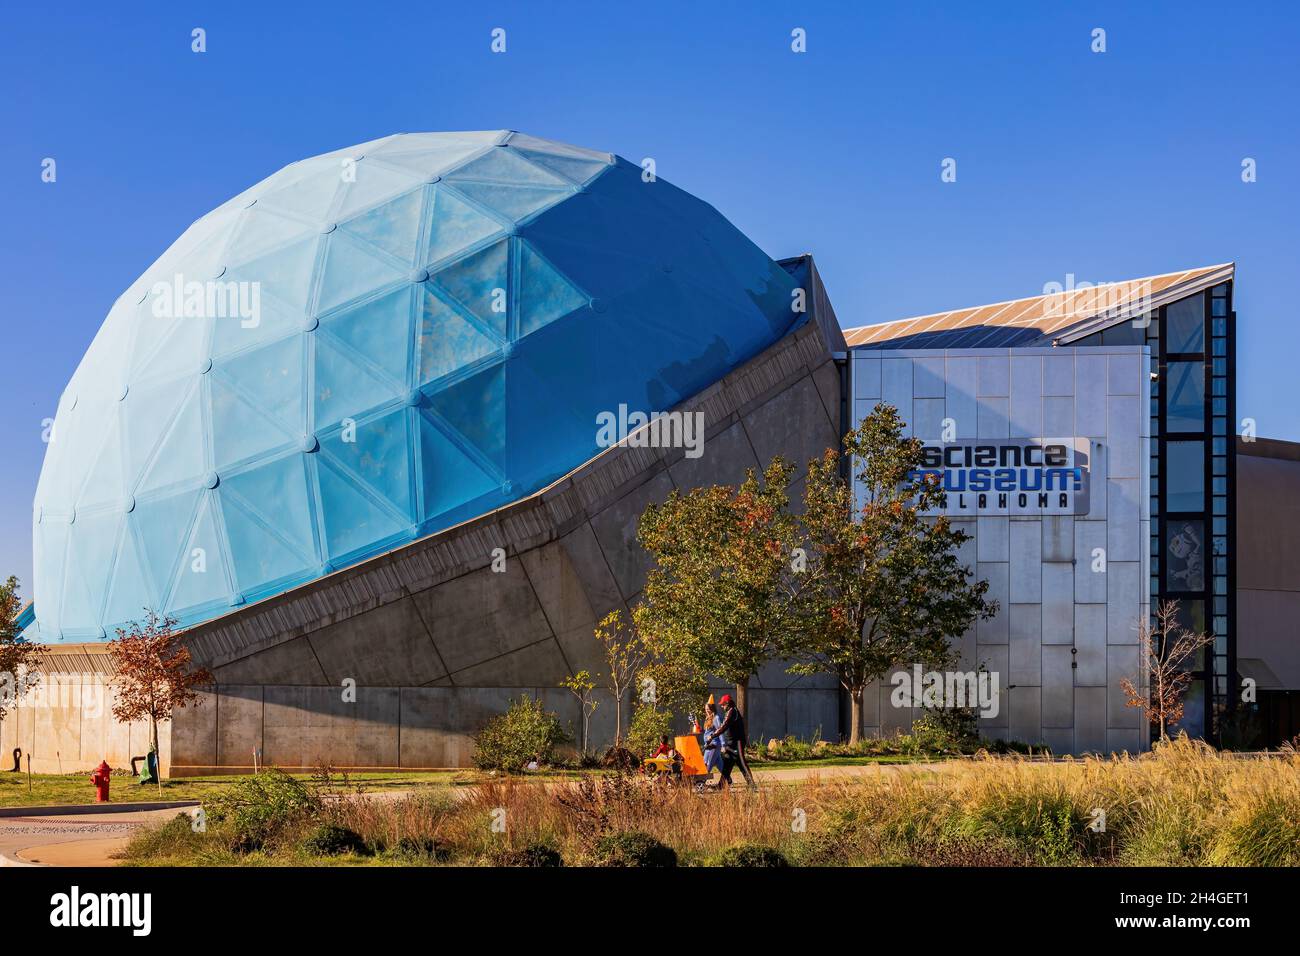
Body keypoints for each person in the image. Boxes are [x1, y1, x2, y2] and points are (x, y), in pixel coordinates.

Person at [706, 694, 755, 788]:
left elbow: (724, 726)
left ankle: (752, 785)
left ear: (727, 703)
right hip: (731, 743)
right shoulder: (730, 711)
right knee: (727, 765)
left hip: (737, 742)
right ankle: (721, 786)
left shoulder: (732, 711)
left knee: (741, 763)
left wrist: (712, 736)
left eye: (723, 704)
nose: (721, 706)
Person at [701, 700, 723, 779]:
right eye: (706, 709)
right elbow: (708, 732)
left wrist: (723, 744)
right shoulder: (708, 718)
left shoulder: (716, 718)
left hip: (713, 744)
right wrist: (699, 729)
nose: (707, 710)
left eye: (708, 709)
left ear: (712, 708)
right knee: (719, 764)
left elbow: (720, 731)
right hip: (708, 745)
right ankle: (728, 779)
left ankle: (702, 782)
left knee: (707, 764)